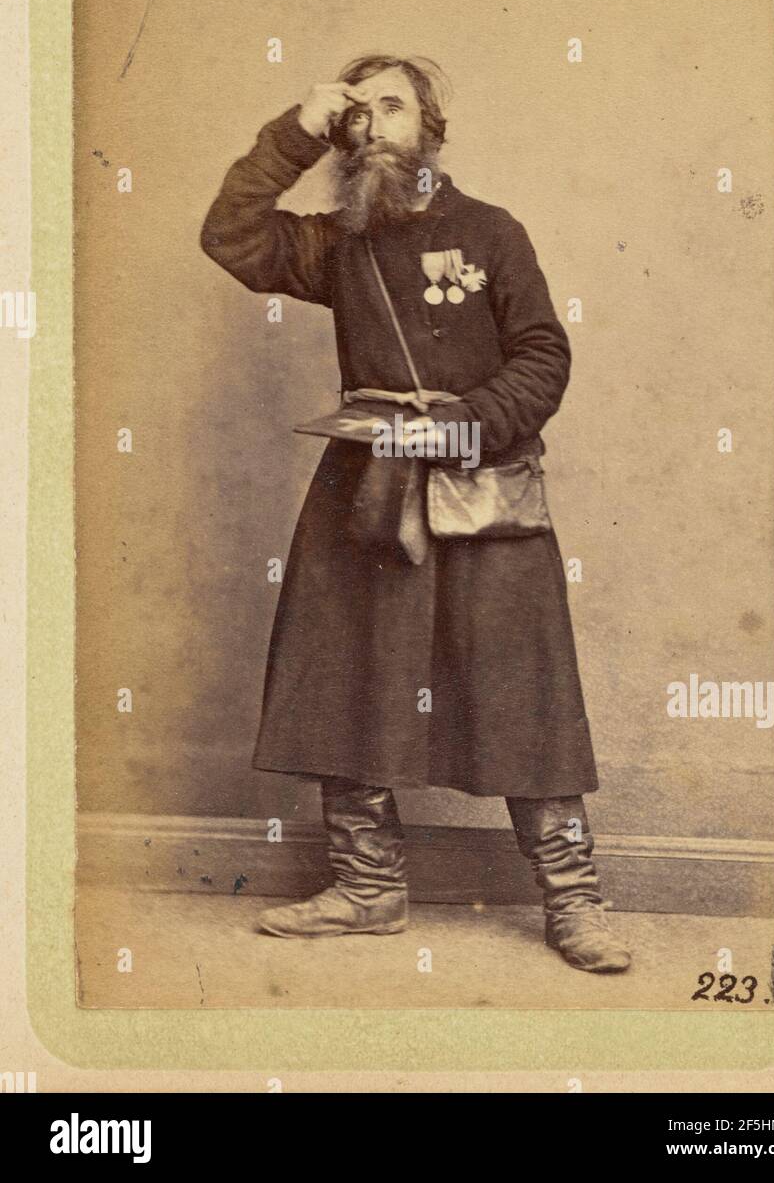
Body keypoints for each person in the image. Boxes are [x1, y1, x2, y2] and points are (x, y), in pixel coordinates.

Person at [199, 54, 631, 973]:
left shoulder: (491, 232)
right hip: (367, 490)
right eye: (355, 114)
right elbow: (231, 237)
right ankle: (366, 887)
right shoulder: (337, 244)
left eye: (391, 107)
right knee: (345, 672)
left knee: (525, 691)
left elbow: (543, 358)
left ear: (432, 128)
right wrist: (292, 130)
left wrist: (467, 426)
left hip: (482, 484)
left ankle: (573, 900)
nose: (371, 125)